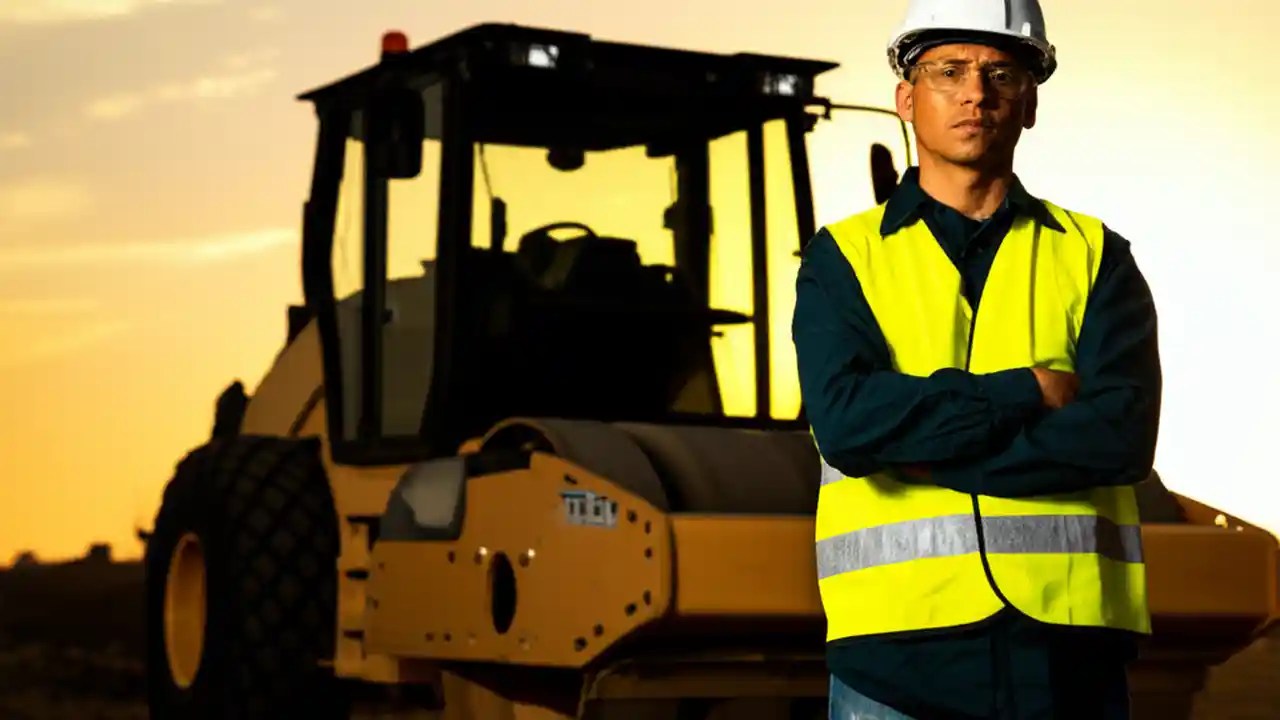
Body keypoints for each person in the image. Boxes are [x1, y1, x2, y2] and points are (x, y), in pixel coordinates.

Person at [791, 1, 1163, 718]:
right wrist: (1025, 391)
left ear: (1029, 103)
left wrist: (924, 456)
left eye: (1000, 73)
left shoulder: (1094, 257)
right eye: (948, 71)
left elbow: (1117, 437)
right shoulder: (844, 259)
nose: (975, 93)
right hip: (896, 660)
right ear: (906, 99)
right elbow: (846, 426)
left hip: (1068, 657)